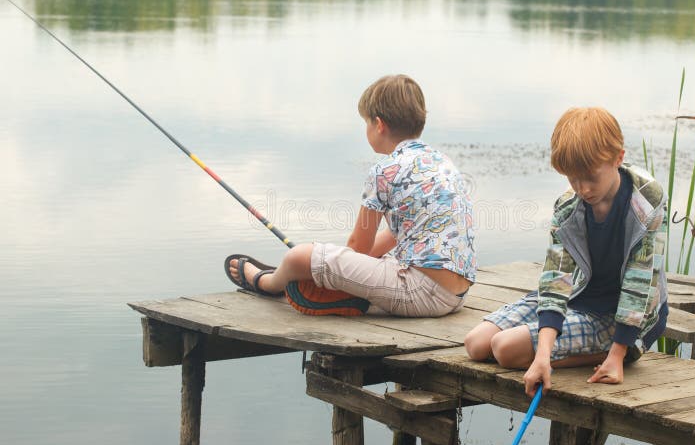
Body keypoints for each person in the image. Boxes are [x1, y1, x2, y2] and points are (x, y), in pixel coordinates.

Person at [225, 74, 476, 317]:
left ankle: (269, 283)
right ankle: (301, 274)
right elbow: (393, 236)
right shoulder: (442, 163)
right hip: (456, 296)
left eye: (366, 122)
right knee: (332, 259)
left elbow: (358, 247)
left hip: (421, 294)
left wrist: (330, 267)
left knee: (299, 256)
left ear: (379, 125)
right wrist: (345, 266)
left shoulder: (384, 171)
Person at [463, 106, 668, 396]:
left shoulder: (647, 201)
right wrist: (543, 354)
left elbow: (641, 283)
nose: (583, 188)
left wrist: (618, 353)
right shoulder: (568, 207)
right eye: (573, 179)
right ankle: (546, 350)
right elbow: (556, 282)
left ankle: (619, 352)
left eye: (590, 177)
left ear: (618, 158)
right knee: (477, 343)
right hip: (576, 298)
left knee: (505, 349)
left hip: (618, 317)